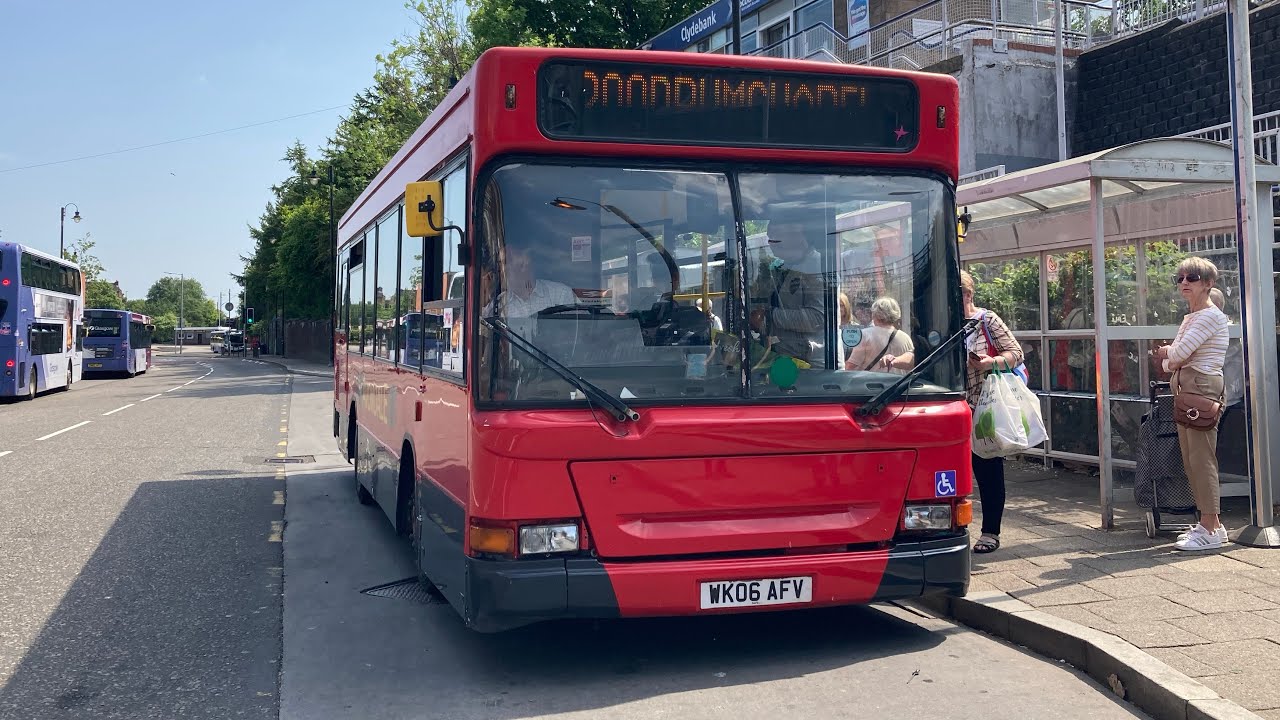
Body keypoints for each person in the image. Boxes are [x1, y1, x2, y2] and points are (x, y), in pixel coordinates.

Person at [1152, 257, 1229, 551]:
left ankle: (1209, 526)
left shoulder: (1209, 315)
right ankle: (1212, 525)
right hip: (1187, 387)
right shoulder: (1192, 317)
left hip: (1200, 387)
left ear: (1208, 284)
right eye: (1180, 278)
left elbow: (1179, 353)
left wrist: (1168, 352)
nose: (1184, 282)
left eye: (1192, 277)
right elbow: (1174, 363)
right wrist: (1172, 357)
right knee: (1190, 460)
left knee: (1201, 459)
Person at [962, 270, 1025, 554]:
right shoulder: (938, 320)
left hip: (982, 407)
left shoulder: (986, 320)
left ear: (968, 294)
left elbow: (1016, 353)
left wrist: (990, 363)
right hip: (949, 406)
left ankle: (990, 532)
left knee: (987, 468)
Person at [748, 215, 825, 364]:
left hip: (814, 365)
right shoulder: (783, 267)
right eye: (769, 236)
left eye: (777, 235)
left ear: (798, 234)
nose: (771, 242)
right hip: (788, 358)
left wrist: (768, 318)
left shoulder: (817, 266)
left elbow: (818, 318)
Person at [845, 296, 915, 374]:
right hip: (899, 384)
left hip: (872, 384)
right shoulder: (905, 337)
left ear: (874, 314)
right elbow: (911, 364)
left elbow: (851, 366)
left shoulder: (864, 335)